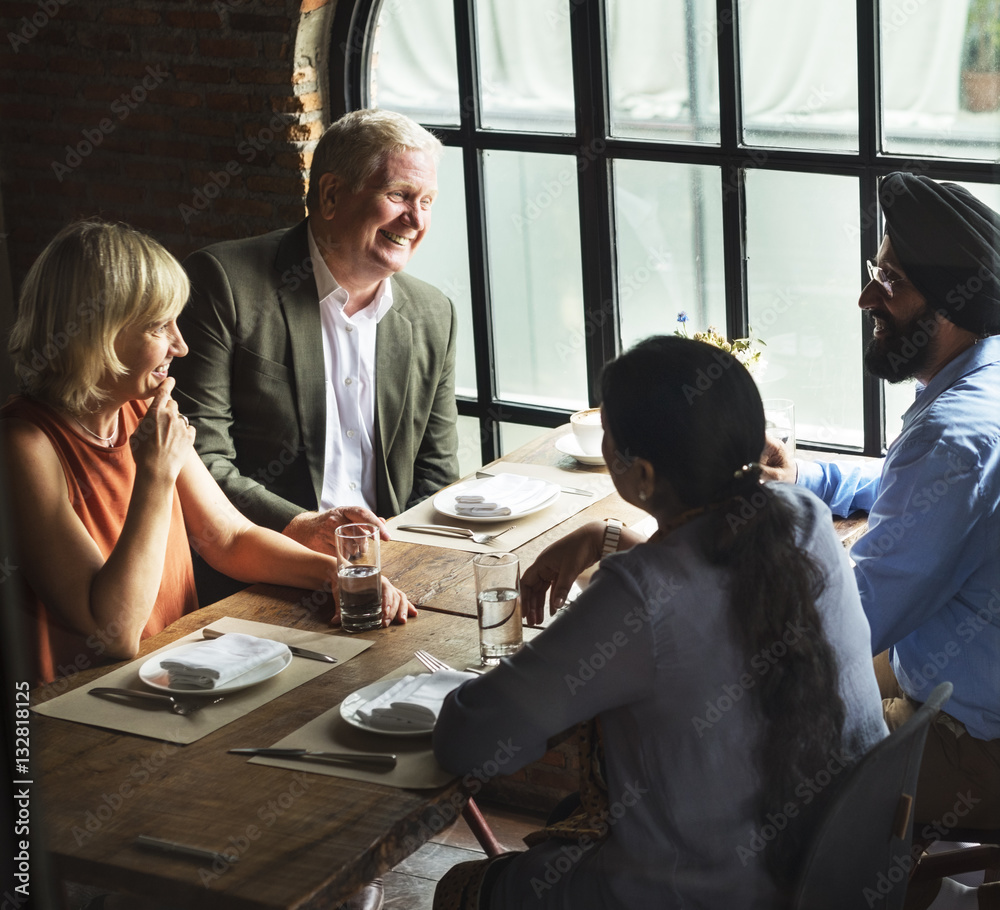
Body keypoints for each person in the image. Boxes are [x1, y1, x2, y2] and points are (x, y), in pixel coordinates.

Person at [432, 336, 887, 909]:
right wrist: (607, 537)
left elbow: (470, 741)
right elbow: (708, 578)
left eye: (609, 437)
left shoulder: (636, 595)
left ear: (640, 473)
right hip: (838, 873)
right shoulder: (806, 518)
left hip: (696, 893)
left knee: (460, 889)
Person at [2, 220, 414, 689]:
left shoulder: (142, 411)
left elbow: (227, 537)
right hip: (75, 713)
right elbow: (112, 633)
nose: (181, 345)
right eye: (160, 326)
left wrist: (340, 575)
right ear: (99, 333)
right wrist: (155, 474)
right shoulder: (25, 445)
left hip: (174, 676)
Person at [761, 172, 1000, 838]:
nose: (866, 296)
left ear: (952, 302)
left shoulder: (957, 434)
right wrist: (805, 476)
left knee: (758, 765)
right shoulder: (986, 380)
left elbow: (853, 620)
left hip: (978, 742)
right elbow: (915, 489)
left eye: (890, 281)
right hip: (957, 668)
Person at [171, 109, 459, 604]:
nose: (416, 220)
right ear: (330, 195)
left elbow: (436, 475)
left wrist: (405, 568)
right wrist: (300, 525)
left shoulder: (433, 312)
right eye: (398, 196)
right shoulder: (224, 284)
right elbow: (199, 456)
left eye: (427, 202)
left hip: (394, 573)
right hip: (263, 578)